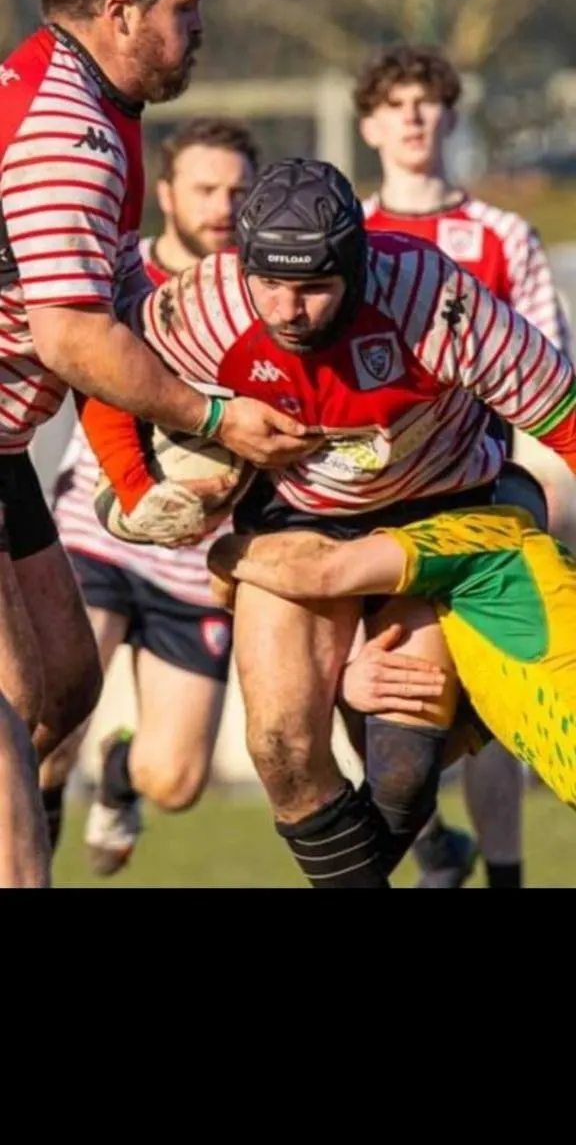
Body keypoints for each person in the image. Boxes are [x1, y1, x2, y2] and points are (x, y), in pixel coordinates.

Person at [74, 156, 576, 891]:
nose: (285, 308)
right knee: (281, 748)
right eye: (268, 282)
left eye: (312, 287)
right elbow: (107, 373)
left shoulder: (432, 299)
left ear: (357, 265)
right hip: (293, 518)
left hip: (432, 515)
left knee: (402, 768)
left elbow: (562, 411)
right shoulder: (210, 302)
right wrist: (133, 483)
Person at [0, 0, 320, 888]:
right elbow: (73, 337)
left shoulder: (98, 106)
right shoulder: (67, 132)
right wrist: (215, 418)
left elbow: (122, 292)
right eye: (188, 7)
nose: (201, 26)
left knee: (63, 683)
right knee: (7, 729)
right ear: (120, 13)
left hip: (6, 441)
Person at [353, 41, 574, 888]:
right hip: (370, 504)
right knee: (378, 697)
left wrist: (543, 490)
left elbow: (543, 374)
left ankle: (505, 875)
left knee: (496, 697)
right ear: (370, 122)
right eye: (395, 102)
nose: (412, 115)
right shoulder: (349, 238)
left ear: (451, 116)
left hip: (483, 493)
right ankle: (434, 845)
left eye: (427, 100)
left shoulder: (503, 236)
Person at [40, 116, 261, 873]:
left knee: (176, 782)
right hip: (96, 531)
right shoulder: (117, 275)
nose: (221, 206)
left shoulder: (272, 300)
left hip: (195, 565)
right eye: (205, 188)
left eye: (238, 190)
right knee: (49, 725)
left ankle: (121, 773)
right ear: (166, 192)